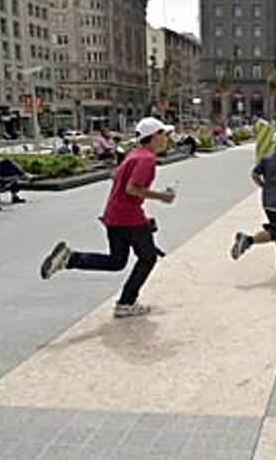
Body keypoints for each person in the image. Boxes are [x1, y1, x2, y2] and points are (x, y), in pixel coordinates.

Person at [39, 117, 176, 318]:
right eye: (165, 134)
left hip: (114, 215)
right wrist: (163, 197)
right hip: (129, 218)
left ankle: (71, 258)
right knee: (148, 258)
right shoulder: (146, 159)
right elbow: (132, 188)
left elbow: (117, 179)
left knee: (116, 261)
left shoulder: (133, 155)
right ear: (154, 136)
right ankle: (126, 303)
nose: (167, 138)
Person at [230, 128, 276, 268]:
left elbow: (254, 174)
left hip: (268, 200)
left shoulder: (267, 158)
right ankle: (248, 240)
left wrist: (263, 185)